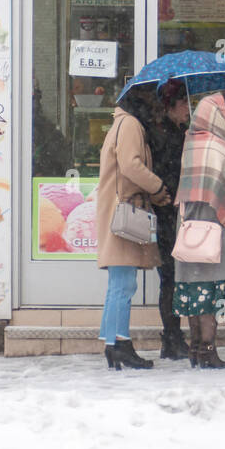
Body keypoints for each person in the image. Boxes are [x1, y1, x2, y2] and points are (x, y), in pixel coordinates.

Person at [174, 92, 225, 369]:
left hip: (190, 228)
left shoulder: (190, 142)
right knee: (213, 292)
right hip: (216, 226)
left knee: (195, 291)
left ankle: (196, 349)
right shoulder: (221, 146)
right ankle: (208, 350)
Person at [96, 88, 171, 371]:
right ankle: (120, 343)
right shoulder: (130, 124)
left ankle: (112, 343)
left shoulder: (123, 122)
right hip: (123, 213)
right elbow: (131, 165)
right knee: (124, 283)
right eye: (153, 99)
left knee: (118, 282)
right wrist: (158, 186)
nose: (156, 105)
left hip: (117, 209)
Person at [139, 80, 192, 360]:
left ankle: (173, 337)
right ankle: (171, 338)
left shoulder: (179, 131)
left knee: (173, 277)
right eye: (183, 103)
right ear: (170, 106)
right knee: (170, 277)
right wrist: (166, 192)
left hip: (175, 212)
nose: (188, 109)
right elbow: (163, 172)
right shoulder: (160, 134)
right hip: (165, 214)